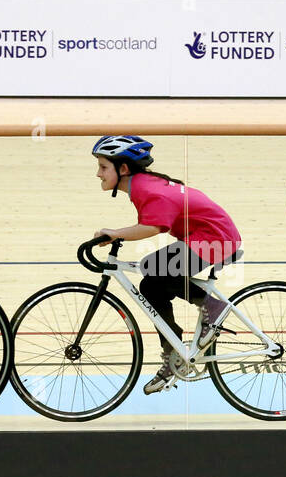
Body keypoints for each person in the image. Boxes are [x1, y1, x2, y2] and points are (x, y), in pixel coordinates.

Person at [90, 135, 243, 395]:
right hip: (207, 236)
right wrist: (117, 234)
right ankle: (173, 354)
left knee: (155, 268)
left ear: (123, 169)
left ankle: (213, 307)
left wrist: (115, 233)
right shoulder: (142, 185)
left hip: (215, 239)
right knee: (151, 284)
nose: (98, 174)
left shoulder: (145, 188)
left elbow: (152, 227)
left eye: (104, 167)